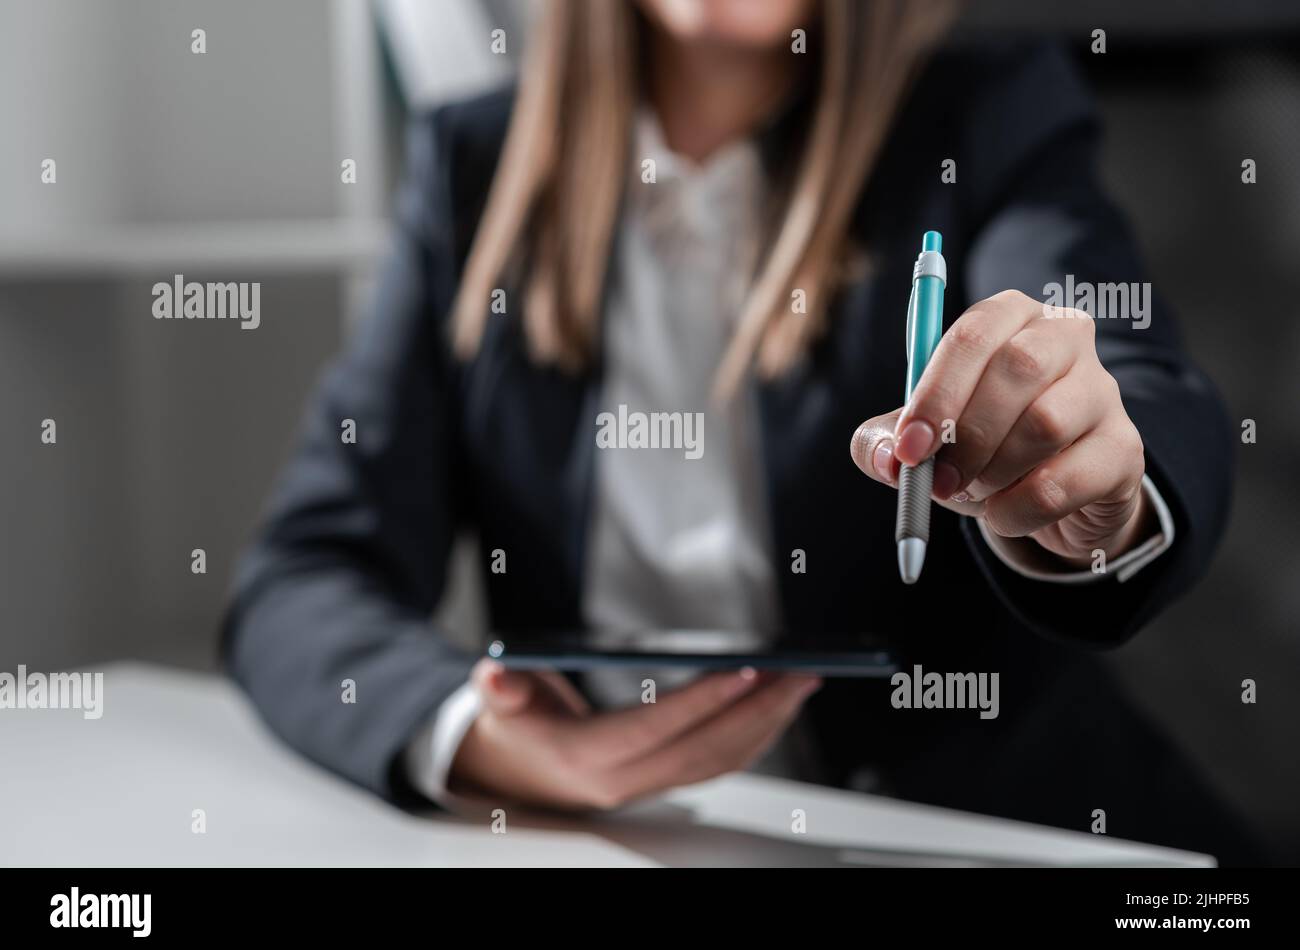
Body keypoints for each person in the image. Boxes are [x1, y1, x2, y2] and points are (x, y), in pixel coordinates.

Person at [223, 0, 1260, 862]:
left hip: (987, 836)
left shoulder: (982, 112)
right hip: (632, 843)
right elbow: (306, 574)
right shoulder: (469, 167)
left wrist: (1093, 480)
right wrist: (474, 736)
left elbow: (1133, 376)